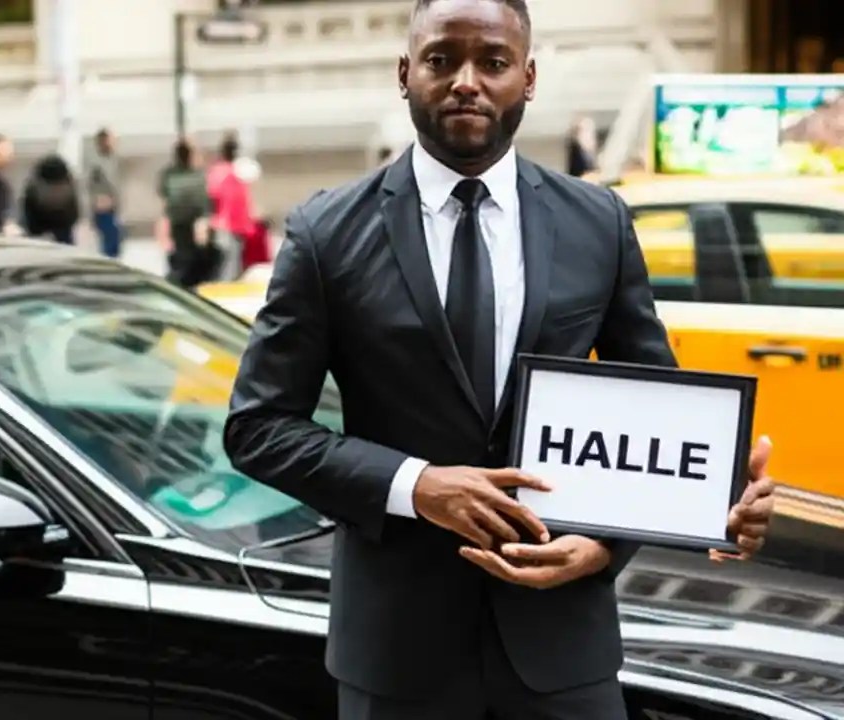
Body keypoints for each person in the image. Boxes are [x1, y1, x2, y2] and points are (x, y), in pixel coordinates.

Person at [222, 1, 777, 718]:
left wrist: (679, 517)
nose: (465, 82)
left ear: (529, 77)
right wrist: (416, 485)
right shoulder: (326, 232)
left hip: (563, 647)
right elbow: (259, 427)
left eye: (492, 61)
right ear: (405, 73)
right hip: (398, 656)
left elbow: (659, 417)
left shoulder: (598, 222)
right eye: (440, 59)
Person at [157, 137, 213, 289]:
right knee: (180, 264)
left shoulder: (199, 174)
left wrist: (204, 223)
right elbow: (165, 203)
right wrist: (163, 230)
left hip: (196, 226)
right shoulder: (170, 174)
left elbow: (205, 202)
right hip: (178, 225)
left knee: (197, 265)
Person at [206, 133, 256, 282]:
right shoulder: (235, 174)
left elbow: (212, 198)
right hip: (232, 226)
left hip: (220, 224)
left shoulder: (216, 172)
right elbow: (239, 203)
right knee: (230, 265)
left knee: (225, 263)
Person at [21, 154, 81, 245]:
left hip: (60, 229)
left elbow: (74, 214)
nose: (54, 193)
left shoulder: (33, 187)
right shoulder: (33, 190)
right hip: (40, 230)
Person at [88, 127, 124, 258]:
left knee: (116, 240)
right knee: (108, 241)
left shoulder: (113, 159)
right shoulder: (96, 163)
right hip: (102, 206)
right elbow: (92, 186)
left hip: (113, 205)